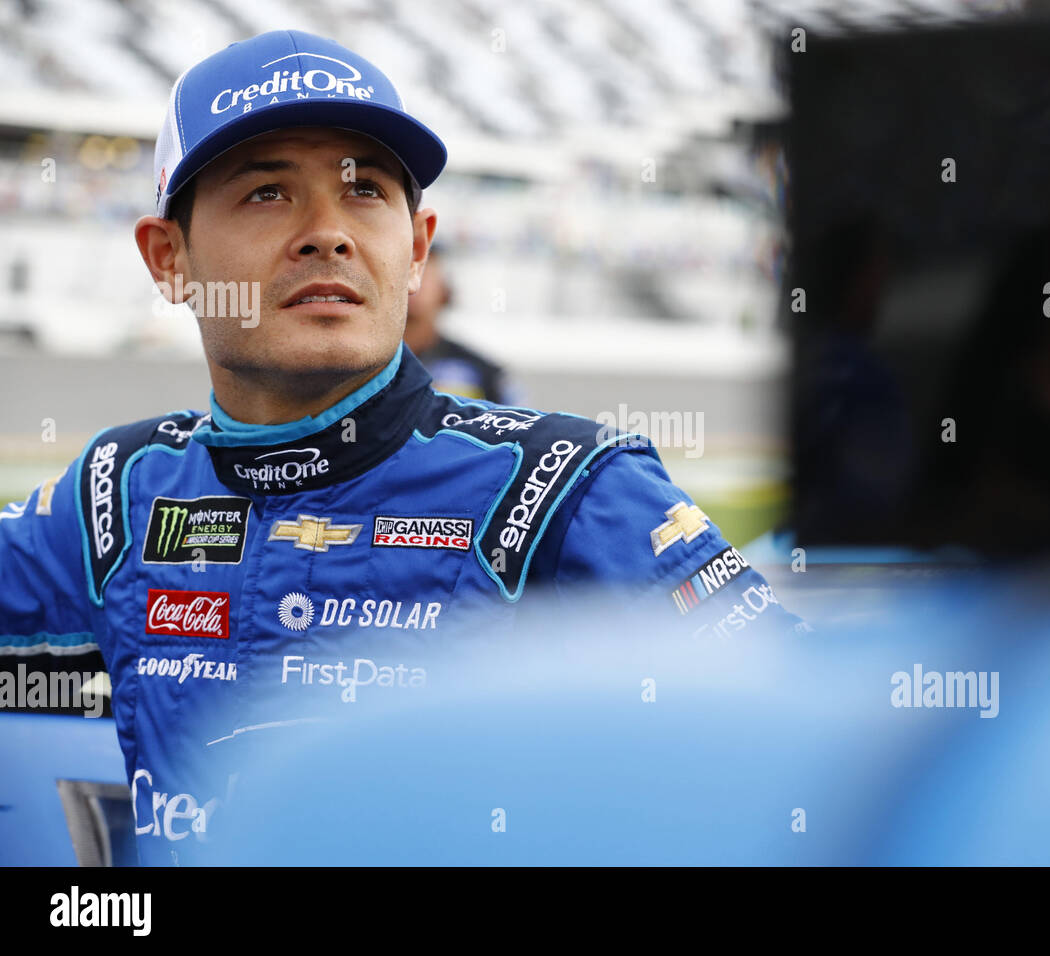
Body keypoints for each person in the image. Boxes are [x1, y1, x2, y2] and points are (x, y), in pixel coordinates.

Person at [0, 30, 801, 864]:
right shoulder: (116, 496)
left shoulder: (568, 491)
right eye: (268, 192)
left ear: (416, 247)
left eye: (366, 192)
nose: (328, 233)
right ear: (169, 259)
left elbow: (826, 745)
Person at [403, 242, 518, 404]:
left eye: (424, 273)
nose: (414, 283)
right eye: (405, 271)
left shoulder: (481, 370)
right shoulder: (368, 364)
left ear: (445, 288)